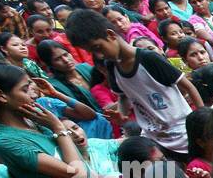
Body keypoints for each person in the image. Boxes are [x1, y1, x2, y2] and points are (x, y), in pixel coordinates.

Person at [64, 9, 202, 160]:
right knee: (155, 173)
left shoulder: (148, 59)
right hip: (153, 138)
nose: (99, 55)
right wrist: (121, 115)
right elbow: (123, 96)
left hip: (182, 133)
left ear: (110, 35)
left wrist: (204, 122)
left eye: (98, 48)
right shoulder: (112, 66)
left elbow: (188, 87)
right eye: (92, 52)